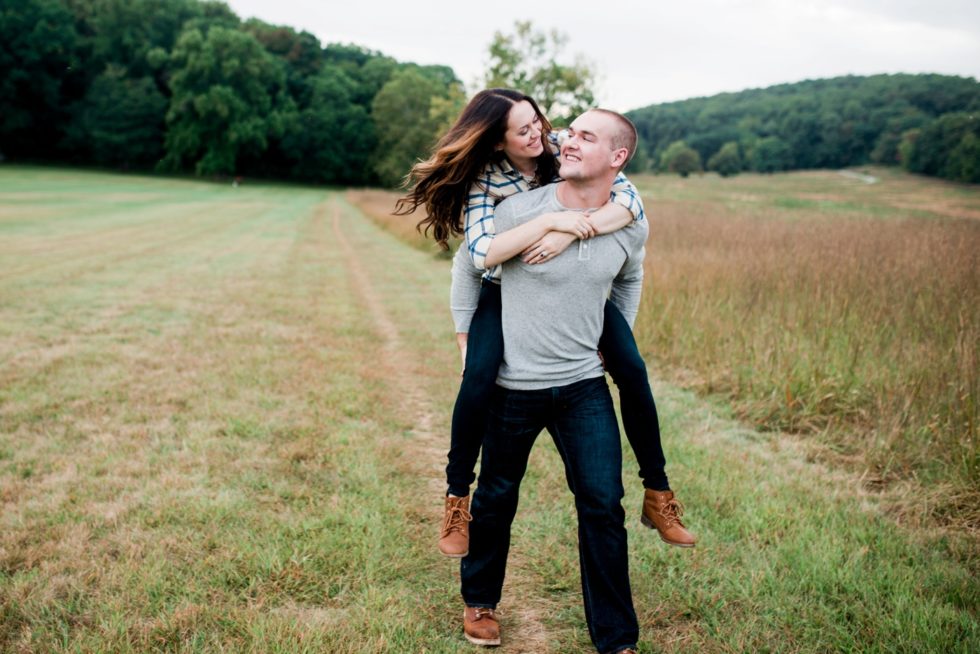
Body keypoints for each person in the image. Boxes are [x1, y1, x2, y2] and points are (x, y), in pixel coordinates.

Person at [395, 89, 694, 560]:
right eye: (523, 130)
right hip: (503, 289)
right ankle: (456, 497)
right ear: (498, 141)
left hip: (576, 293)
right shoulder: (486, 180)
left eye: (537, 120)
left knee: (633, 369)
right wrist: (550, 225)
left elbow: (629, 200)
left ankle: (658, 492)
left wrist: (576, 232)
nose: (539, 133)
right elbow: (477, 256)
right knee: (477, 377)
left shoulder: (560, 146)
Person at [460, 108, 652, 652]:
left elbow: (629, 278)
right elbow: (470, 267)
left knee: (603, 504)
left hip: (584, 388)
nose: (567, 141)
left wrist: (615, 339)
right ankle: (480, 601)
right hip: (512, 385)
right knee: (495, 497)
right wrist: (464, 337)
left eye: (586, 137)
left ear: (617, 157)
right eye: (570, 133)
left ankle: (616, 638)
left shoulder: (629, 220)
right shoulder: (517, 210)